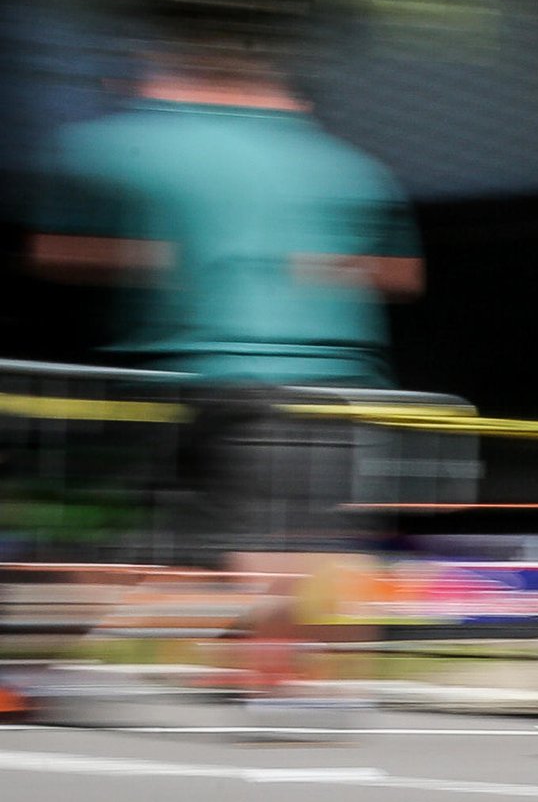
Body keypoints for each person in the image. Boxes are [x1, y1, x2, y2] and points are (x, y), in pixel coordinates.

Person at [31, 41, 420, 563]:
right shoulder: (354, 168)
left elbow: (55, 253)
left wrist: (166, 257)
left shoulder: (110, 146)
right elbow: (401, 274)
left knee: (133, 567)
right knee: (288, 575)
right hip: (321, 399)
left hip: (169, 390)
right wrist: (302, 267)